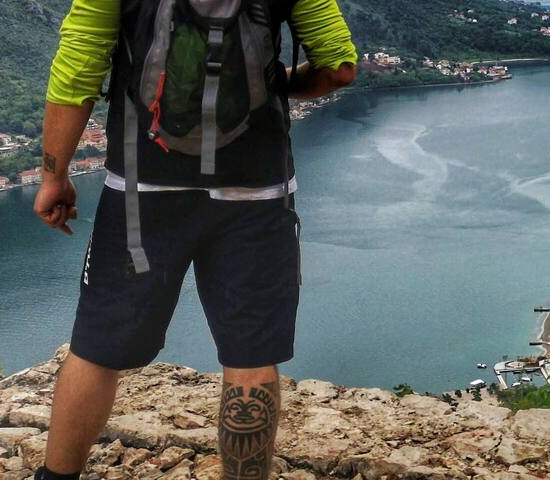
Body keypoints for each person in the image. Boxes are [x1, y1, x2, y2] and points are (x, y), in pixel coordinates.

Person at [31, 0, 357, 479]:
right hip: (258, 190)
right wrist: (278, 84)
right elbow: (339, 68)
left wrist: (53, 176)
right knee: (250, 355)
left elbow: (77, 71)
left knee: (97, 347)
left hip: (143, 191)